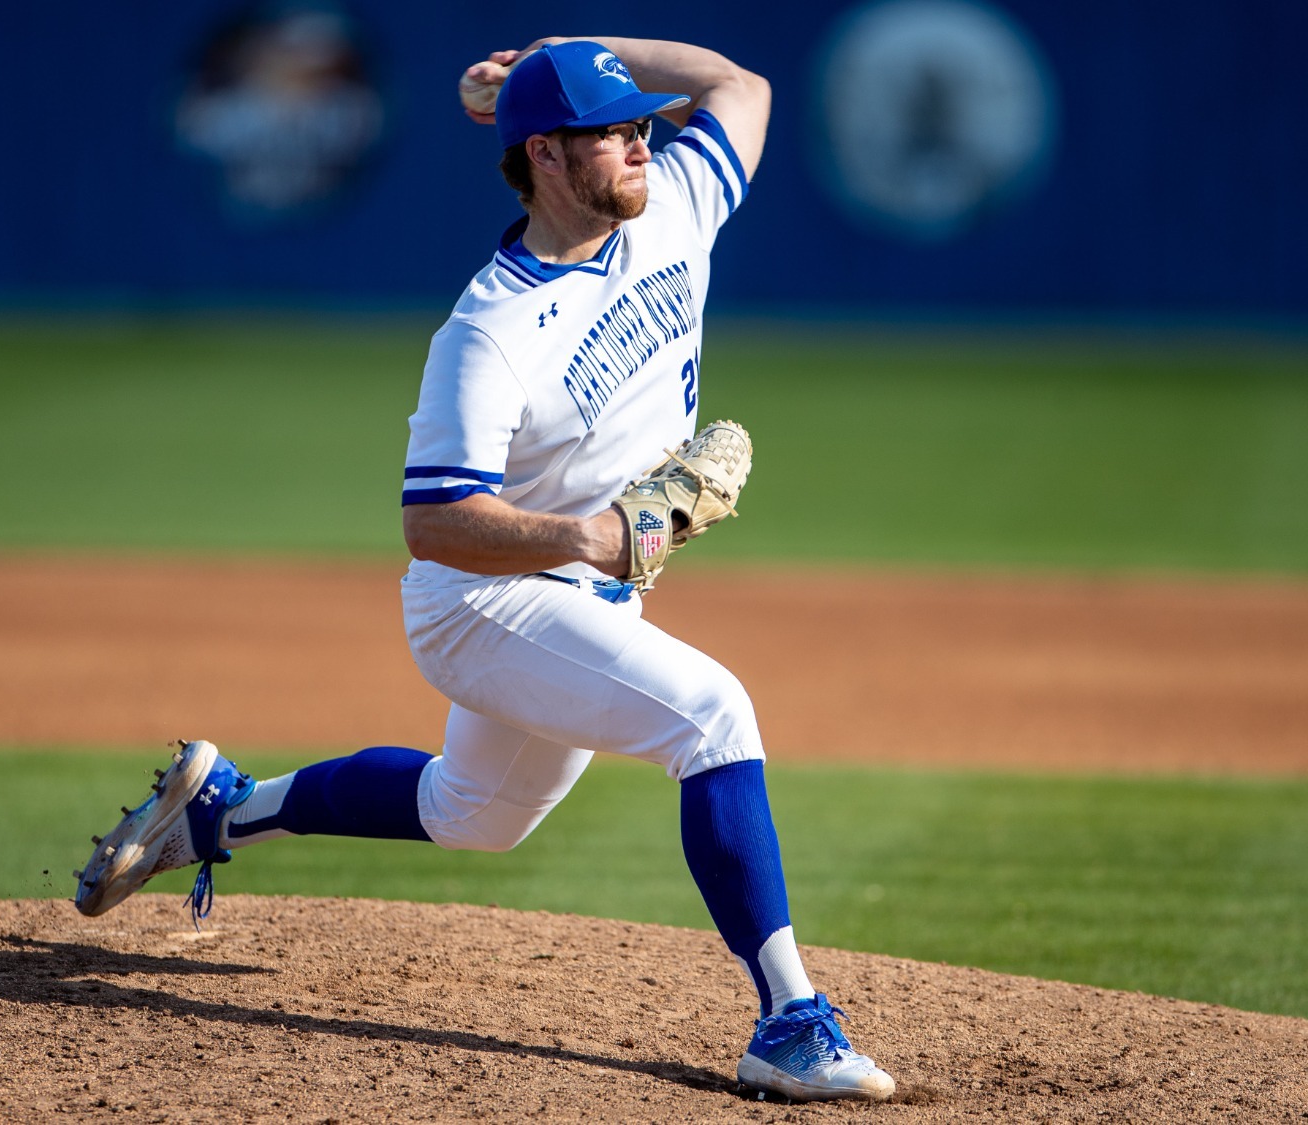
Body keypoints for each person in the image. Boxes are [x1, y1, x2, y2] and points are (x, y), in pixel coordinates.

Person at [74, 36, 895, 1104]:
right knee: (712, 716)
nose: (642, 144)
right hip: (483, 604)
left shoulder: (676, 204)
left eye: (640, 123)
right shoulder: (488, 332)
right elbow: (435, 522)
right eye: (611, 130)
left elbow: (741, 85)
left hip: (580, 597)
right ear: (547, 159)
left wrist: (561, 53)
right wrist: (595, 536)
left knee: (476, 813)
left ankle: (216, 813)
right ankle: (789, 1021)